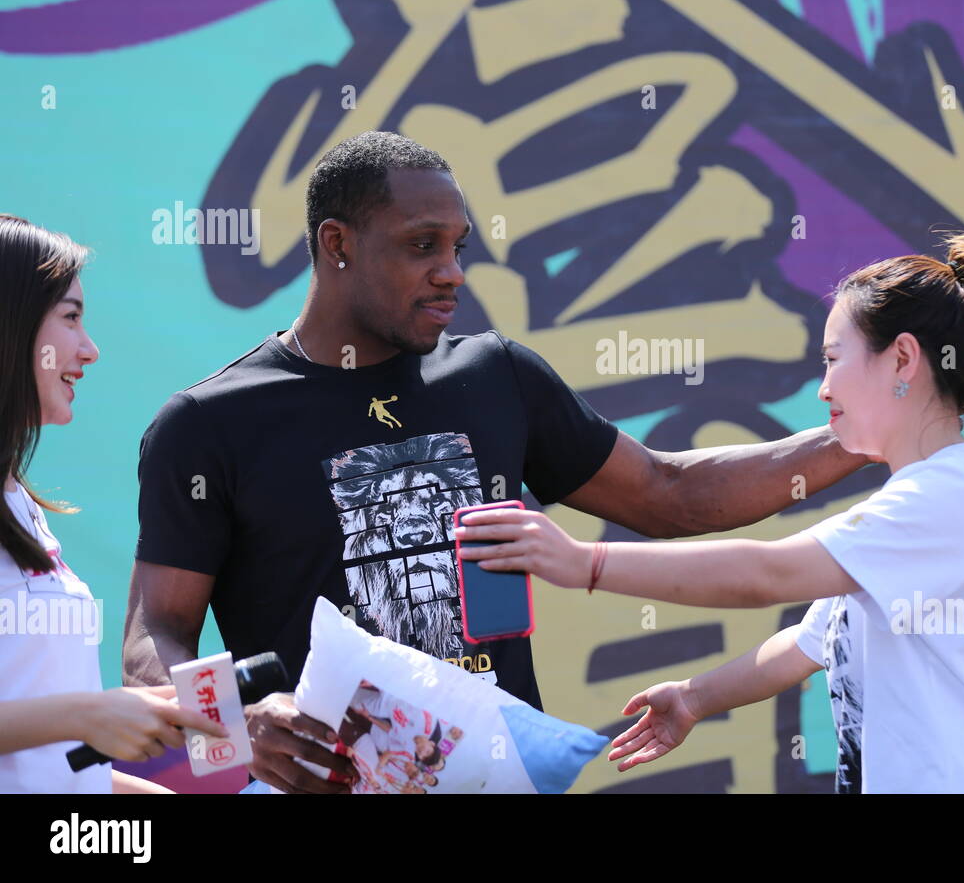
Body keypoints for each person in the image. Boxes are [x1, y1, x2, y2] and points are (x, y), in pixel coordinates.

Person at [122, 131, 872, 794]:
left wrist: (867, 434)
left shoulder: (496, 377)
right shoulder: (208, 424)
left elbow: (670, 492)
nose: (452, 272)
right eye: (423, 246)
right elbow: (154, 636)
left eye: (459, 248)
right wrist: (236, 722)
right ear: (337, 243)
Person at [459, 233, 964, 793]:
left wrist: (584, 562)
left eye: (833, 359)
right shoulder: (922, 502)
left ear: (903, 360)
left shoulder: (951, 497)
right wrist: (695, 699)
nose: (824, 388)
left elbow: (766, 574)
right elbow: (807, 643)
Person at [0, 214, 228, 793]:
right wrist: (89, 714)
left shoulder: (19, 507)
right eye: (71, 318)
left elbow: (53, 768)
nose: (91, 349)